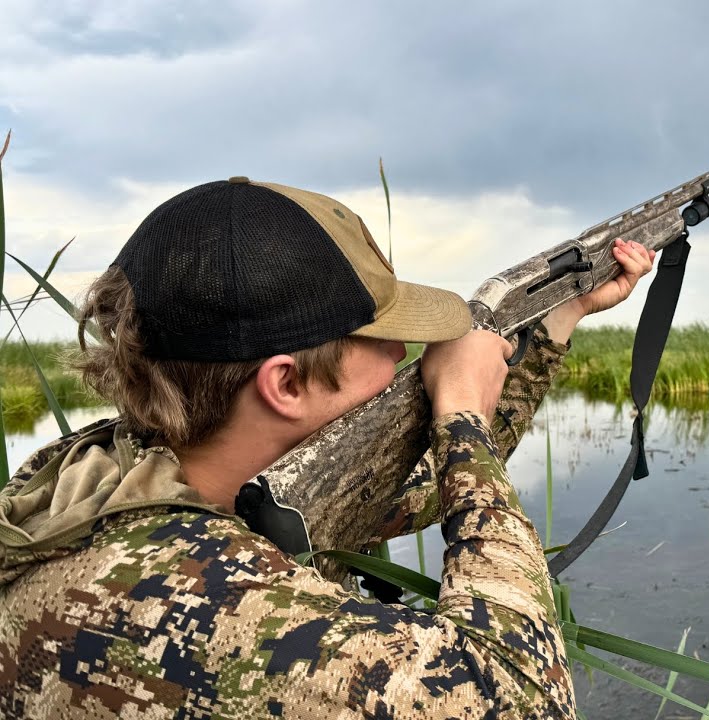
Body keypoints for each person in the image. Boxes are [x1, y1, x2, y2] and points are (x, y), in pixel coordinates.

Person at [0, 176, 655, 718]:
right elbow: (527, 699)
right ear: (284, 382)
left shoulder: (125, 471)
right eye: (380, 338)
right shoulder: (205, 604)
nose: (404, 355)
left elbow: (405, 489)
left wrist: (556, 321)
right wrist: (460, 418)